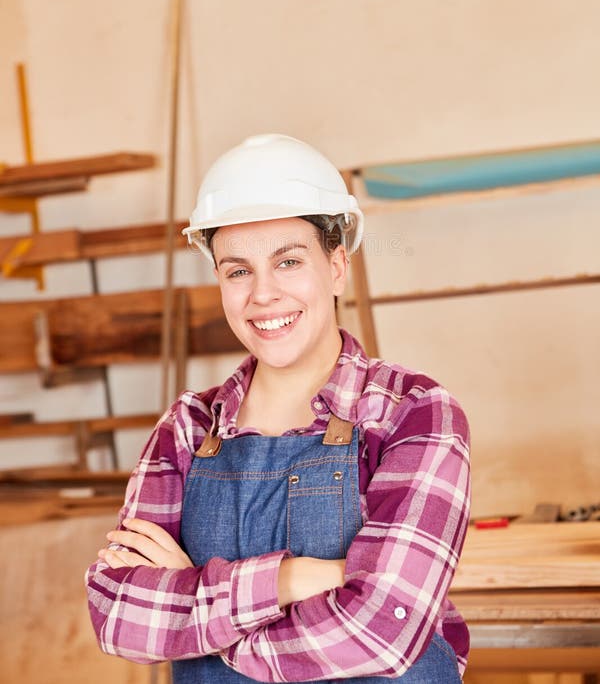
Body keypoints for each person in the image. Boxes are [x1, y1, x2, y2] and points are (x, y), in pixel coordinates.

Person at [86, 133, 471, 682]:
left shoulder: (413, 412)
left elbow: (383, 629)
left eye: (288, 262)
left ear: (337, 266)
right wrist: (293, 580)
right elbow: (118, 614)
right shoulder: (187, 430)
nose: (262, 294)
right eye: (238, 270)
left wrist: (201, 609)